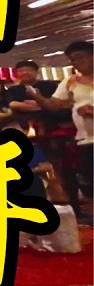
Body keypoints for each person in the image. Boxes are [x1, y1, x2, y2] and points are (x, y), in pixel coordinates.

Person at [30, 40, 93, 219]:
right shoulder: (71, 81)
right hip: (85, 140)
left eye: (80, 57)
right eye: (72, 59)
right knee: (89, 182)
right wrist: (38, 97)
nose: (75, 62)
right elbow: (54, 105)